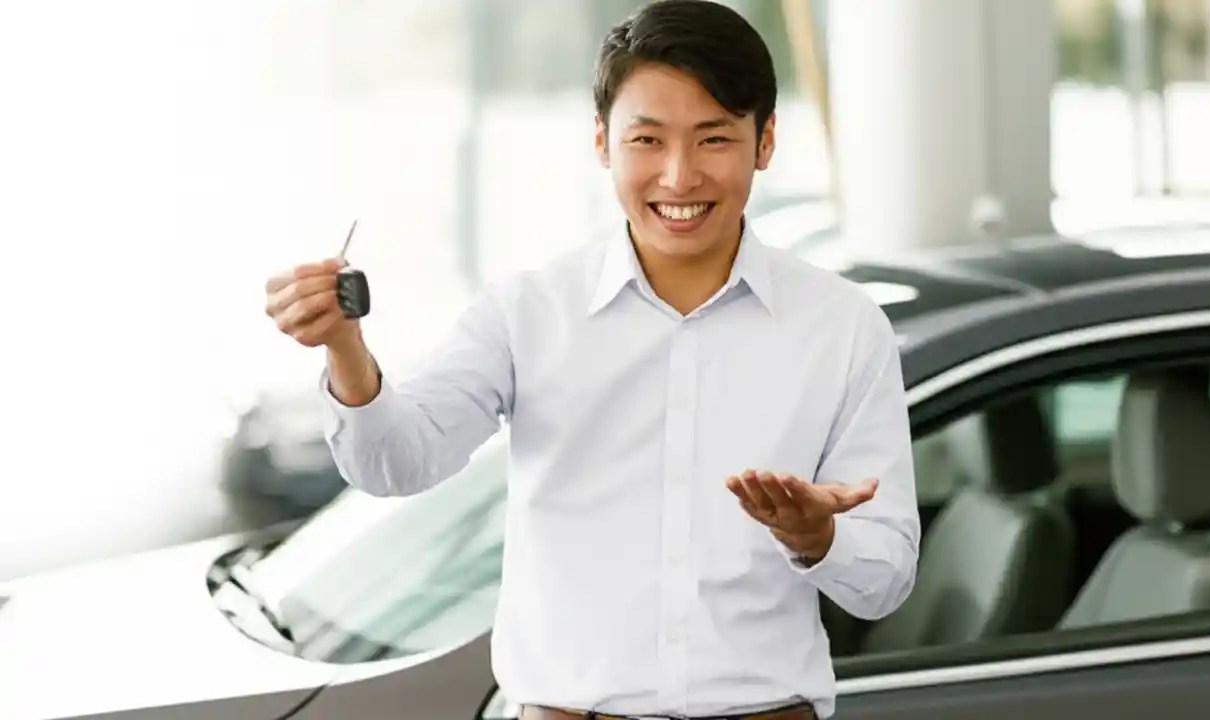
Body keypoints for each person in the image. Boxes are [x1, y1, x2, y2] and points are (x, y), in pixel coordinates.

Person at [263, 1, 919, 718]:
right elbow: (397, 464)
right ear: (602, 141)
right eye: (647, 140)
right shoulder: (528, 312)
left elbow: (885, 581)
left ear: (764, 142)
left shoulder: (844, 327)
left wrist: (818, 536)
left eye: (713, 140)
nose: (678, 176)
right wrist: (344, 347)